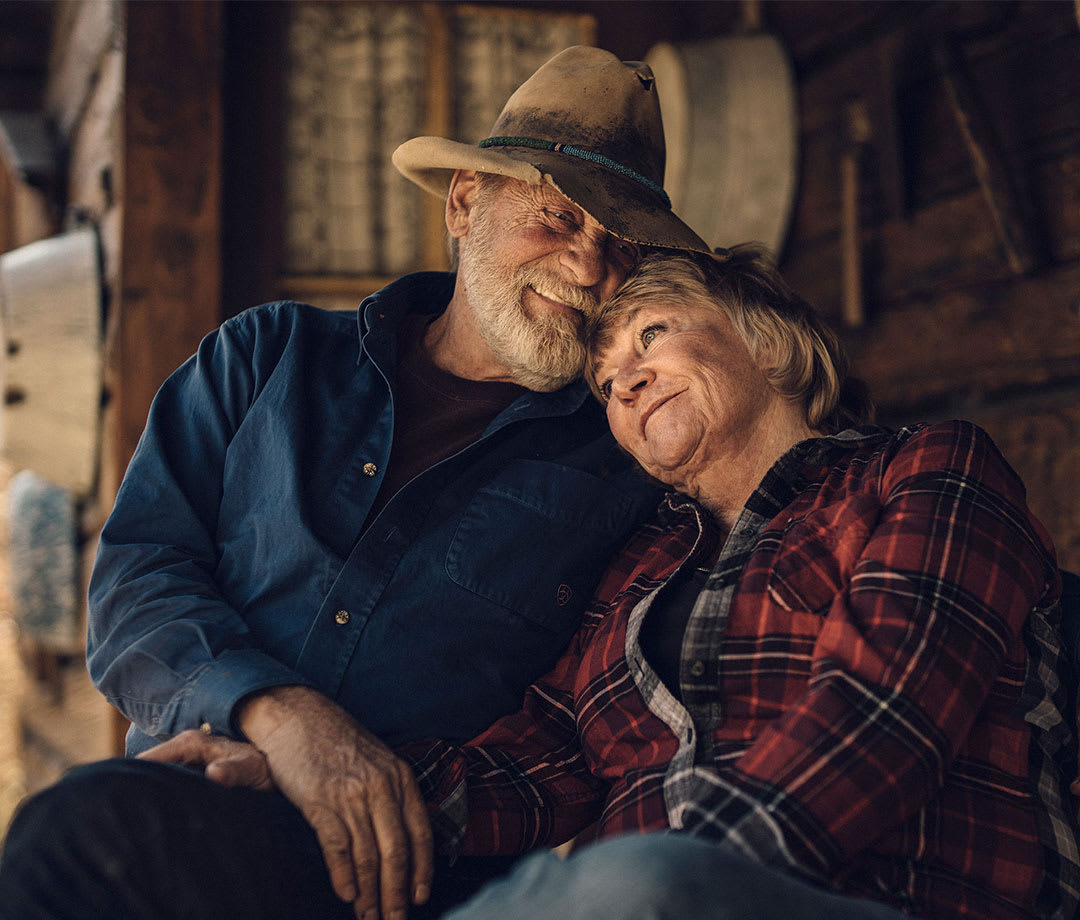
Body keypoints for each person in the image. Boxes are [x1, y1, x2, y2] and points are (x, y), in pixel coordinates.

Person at [147, 245, 1080, 919]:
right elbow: (545, 756)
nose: (625, 384)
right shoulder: (639, 569)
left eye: (652, 336)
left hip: (869, 895)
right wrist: (311, 780)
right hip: (625, 898)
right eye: (604, 383)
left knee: (638, 886)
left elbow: (885, 715)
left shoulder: (922, 472)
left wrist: (657, 881)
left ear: (770, 342)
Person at [0, 47, 715, 920]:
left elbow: (575, 721)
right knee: (77, 839)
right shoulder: (266, 357)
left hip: (392, 876)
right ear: (464, 203)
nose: (589, 269)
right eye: (559, 219)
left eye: (620, 247)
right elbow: (136, 584)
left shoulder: (627, 462)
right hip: (185, 811)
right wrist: (281, 716)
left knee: (70, 834)